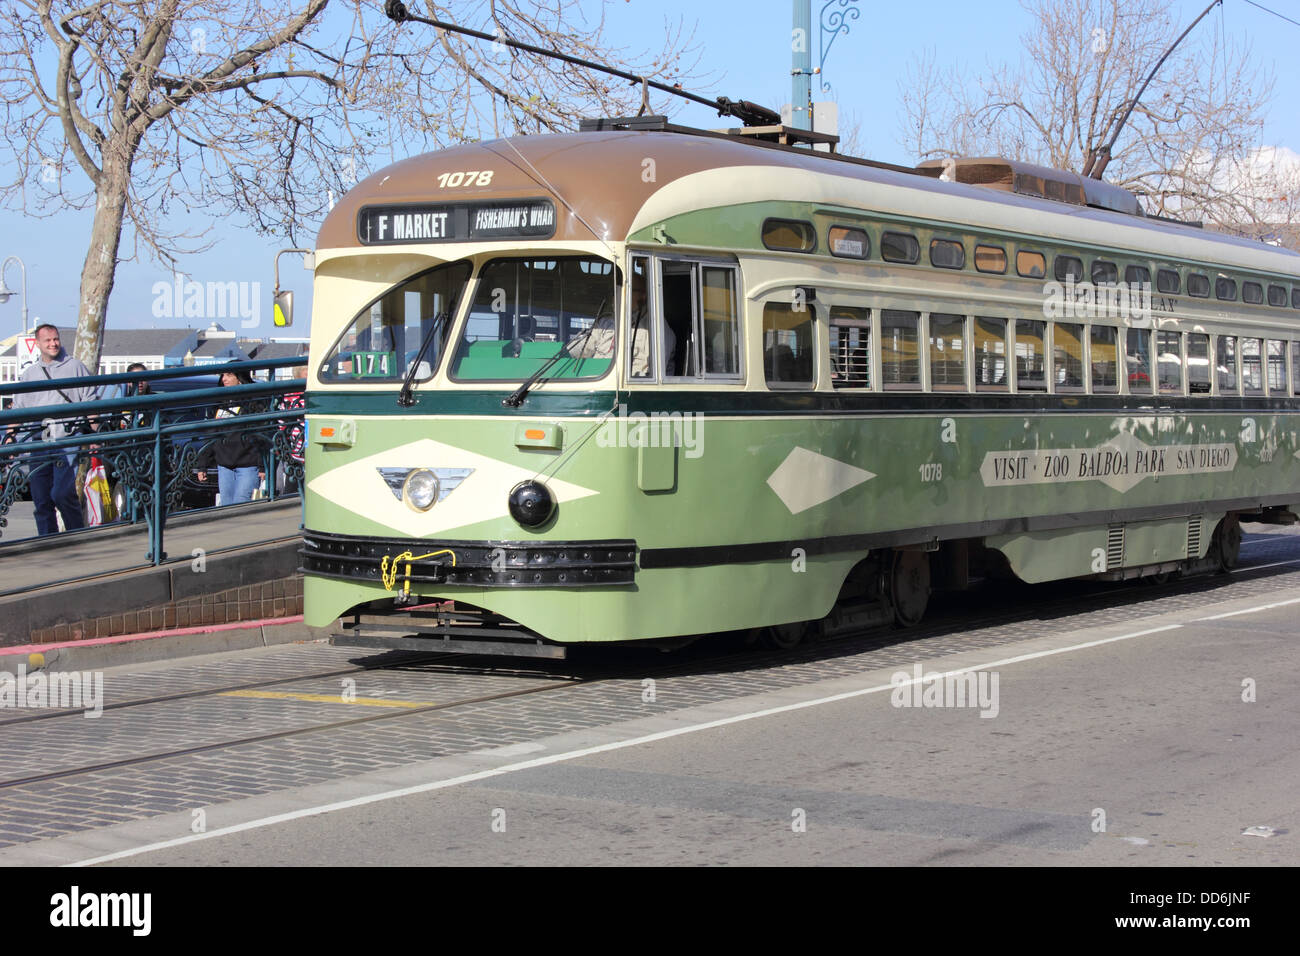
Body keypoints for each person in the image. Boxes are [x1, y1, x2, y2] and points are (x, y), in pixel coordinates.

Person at [9, 324, 98, 535]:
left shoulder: (75, 367)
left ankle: (77, 535)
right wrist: (11, 437)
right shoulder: (30, 373)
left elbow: (91, 402)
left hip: (67, 440)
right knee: (41, 498)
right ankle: (48, 541)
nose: (53, 344)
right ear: (37, 344)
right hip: (39, 441)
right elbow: (19, 409)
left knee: (61, 493)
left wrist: (96, 434)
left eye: (55, 339)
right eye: (48, 341)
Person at [194, 369, 267, 504]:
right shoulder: (219, 401)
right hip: (224, 465)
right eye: (222, 375)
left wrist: (263, 466)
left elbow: (262, 433)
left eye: (229, 375)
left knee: (241, 507)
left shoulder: (254, 401)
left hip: (248, 465)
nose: (224, 379)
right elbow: (211, 434)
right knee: (226, 508)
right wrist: (202, 465)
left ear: (239, 377)